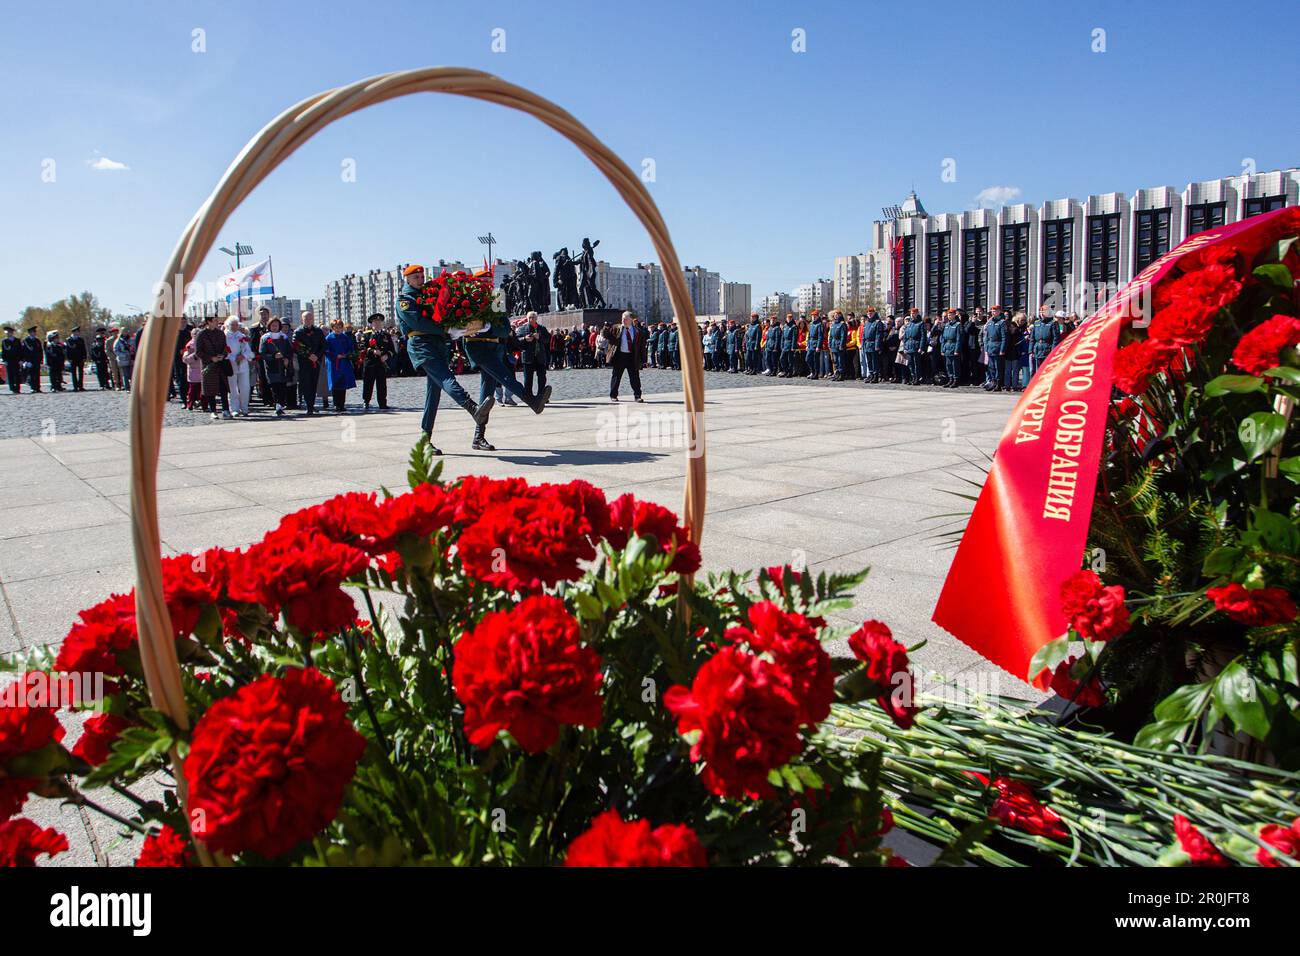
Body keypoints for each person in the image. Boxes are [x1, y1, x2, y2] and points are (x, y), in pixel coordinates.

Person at [395, 263, 493, 452]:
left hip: (438, 344)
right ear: (406, 279)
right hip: (421, 345)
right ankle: (472, 407)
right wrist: (447, 329)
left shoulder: (426, 294)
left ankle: (425, 440)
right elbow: (418, 322)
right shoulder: (405, 300)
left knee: (433, 395)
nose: (420, 280)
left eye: (422, 277)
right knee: (446, 378)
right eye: (416, 278)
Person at [195, 314, 231, 418]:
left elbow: (225, 347)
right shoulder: (201, 334)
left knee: (223, 388)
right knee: (210, 389)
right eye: (214, 320)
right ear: (209, 322)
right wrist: (211, 358)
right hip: (209, 365)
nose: (217, 322)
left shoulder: (220, 333)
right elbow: (198, 352)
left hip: (221, 364)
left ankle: (225, 409)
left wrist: (223, 355)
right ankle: (213, 410)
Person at [258, 318, 294, 416]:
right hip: (271, 367)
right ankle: (277, 405)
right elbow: (262, 353)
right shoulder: (265, 338)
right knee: (275, 387)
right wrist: (273, 356)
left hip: (283, 367)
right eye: (273, 325)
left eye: (276, 325)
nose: (275, 327)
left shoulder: (284, 337)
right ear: (269, 326)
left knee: (282, 387)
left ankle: (280, 405)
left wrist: (287, 358)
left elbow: (289, 351)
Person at [607, 311, 645, 403]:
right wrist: (606, 327)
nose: (623, 320)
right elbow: (606, 335)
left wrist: (643, 359)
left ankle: (637, 396)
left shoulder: (637, 331)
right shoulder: (616, 328)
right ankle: (613, 395)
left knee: (635, 378)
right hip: (619, 356)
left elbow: (641, 347)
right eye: (622, 318)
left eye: (625, 318)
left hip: (632, 356)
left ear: (631, 319)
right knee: (616, 377)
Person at [294, 308, 326, 415]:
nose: (308, 320)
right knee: (306, 384)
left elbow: (323, 345)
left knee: (314, 384)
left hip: (316, 362)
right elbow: (296, 346)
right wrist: (308, 355)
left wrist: (317, 356)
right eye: (306, 318)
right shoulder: (298, 332)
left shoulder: (318, 331)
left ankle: (311, 404)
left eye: (310, 318)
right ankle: (309, 406)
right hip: (304, 362)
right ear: (302, 320)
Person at [361, 313, 394, 411]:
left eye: (379, 322)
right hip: (370, 362)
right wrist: (372, 351)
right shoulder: (367, 334)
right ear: (372, 324)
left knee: (382, 384)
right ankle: (366, 401)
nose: (377, 323)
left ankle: (382, 403)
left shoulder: (386, 335)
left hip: (381, 363)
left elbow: (392, 350)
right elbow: (362, 347)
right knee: (368, 383)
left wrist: (386, 355)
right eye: (375, 322)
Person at [324, 318, 357, 413]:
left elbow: (351, 348)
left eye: (340, 327)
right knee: (335, 384)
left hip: (344, 363)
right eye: (336, 327)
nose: (338, 329)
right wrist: (335, 355)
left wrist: (347, 354)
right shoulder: (329, 338)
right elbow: (327, 351)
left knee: (343, 384)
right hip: (334, 364)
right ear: (332, 328)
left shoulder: (345, 337)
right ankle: (336, 404)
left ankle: (342, 404)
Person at [225, 315, 254, 416]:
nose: (234, 327)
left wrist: (243, 356)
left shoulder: (241, 336)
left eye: (236, 325)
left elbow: (248, 350)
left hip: (243, 364)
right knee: (233, 388)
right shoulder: (225, 336)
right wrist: (233, 358)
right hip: (231, 364)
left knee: (245, 386)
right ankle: (234, 408)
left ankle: (244, 407)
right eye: (232, 325)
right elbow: (224, 350)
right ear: (228, 325)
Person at [519, 310, 550, 403]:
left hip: (540, 356)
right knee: (528, 378)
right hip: (528, 357)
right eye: (529, 317)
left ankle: (541, 396)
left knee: (542, 377)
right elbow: (517, 340)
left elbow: (547, 339)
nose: (531, 319)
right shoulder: (523, 328)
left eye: (533, 317)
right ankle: (529, 397)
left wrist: (539, 337)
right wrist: (525, 339)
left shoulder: (542, 328)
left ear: (536, 318)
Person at [940, 313, 964, 388]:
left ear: (954, 316)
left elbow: (959, 339)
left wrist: (957, 349)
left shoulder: (957, 325)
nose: (949, 316)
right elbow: (943, 338)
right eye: (948, 315)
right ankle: (950, 379)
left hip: (953, 346)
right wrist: (942, 349)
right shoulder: (947, 325)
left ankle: (956, 380)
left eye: (951, 315)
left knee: (955, 365)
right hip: (947, 346)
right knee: (948, 365)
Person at [181, 329, 203, 409]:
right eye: (195, 334)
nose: (197, 335)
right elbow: (185, 359)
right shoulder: (189, 345)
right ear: (192, 335)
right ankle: (190, 404)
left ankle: (204, 405)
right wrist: (194, 356)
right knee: (192, 390)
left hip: (202, 369)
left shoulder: (203, 343)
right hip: (193, 370)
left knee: (203, 390)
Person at [21, 326, 43, 392]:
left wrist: (41, 359)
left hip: (37, 360)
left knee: (37, 374)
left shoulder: (37, 340)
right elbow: (23, 351)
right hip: (29, 360)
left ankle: (38, 388)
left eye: (34, 332)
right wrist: (25, 361)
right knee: (31, 374)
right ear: (30, 333)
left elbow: (40, 350)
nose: (34, 333)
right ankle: (33, 387)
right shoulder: (26, 341)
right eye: (33, 332)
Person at [65, 327, 87, 392]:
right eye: (76, 332)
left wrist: (84, 357)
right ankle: (75, 386)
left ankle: (80, 386)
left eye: (78, 332)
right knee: (74, 373)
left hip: (80, 358)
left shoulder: (80, 339)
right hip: (73, 358)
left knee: (81, 372)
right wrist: (69, 358)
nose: (77, 333)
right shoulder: (69, 340)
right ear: (73, 332)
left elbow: (83, 348)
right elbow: (67, 350)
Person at [828, 310, 848, 381]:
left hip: (839, 344)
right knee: (835, 361)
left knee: (840, 360)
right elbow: (830, 336)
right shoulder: (833, 324)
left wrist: (841, 345)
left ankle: (841, 375)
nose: (835, 316)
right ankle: (837, 374)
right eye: (835, 315)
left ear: (840, 315)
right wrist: (829, 344)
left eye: (837, 314)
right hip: (833, 344)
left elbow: (843, 336)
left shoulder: (842, 324)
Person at [112, 327, 134, 391]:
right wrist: (123, 355)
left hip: (131, 358)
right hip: (123, 360)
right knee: (125, 374)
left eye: (127, 331)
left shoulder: (131, 340)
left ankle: (133, 386)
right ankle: (127, 387)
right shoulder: (118, 341)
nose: (126, 332)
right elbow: (115, 350)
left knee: (132, 374)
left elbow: (134, 347)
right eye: (124, 331)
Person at [2, 327, 21, 393]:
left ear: (12, 333)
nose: (7, 334)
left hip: (16, 360)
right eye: (7, 333)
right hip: (9, 360)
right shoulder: (4, 341)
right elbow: (4, 351)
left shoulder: (17, 340)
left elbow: (20, 350)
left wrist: (21, 359)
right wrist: (4, 360)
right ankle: (12, 388)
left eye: (9, 333)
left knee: (17, 374)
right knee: (10, 375)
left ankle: (18, 388)